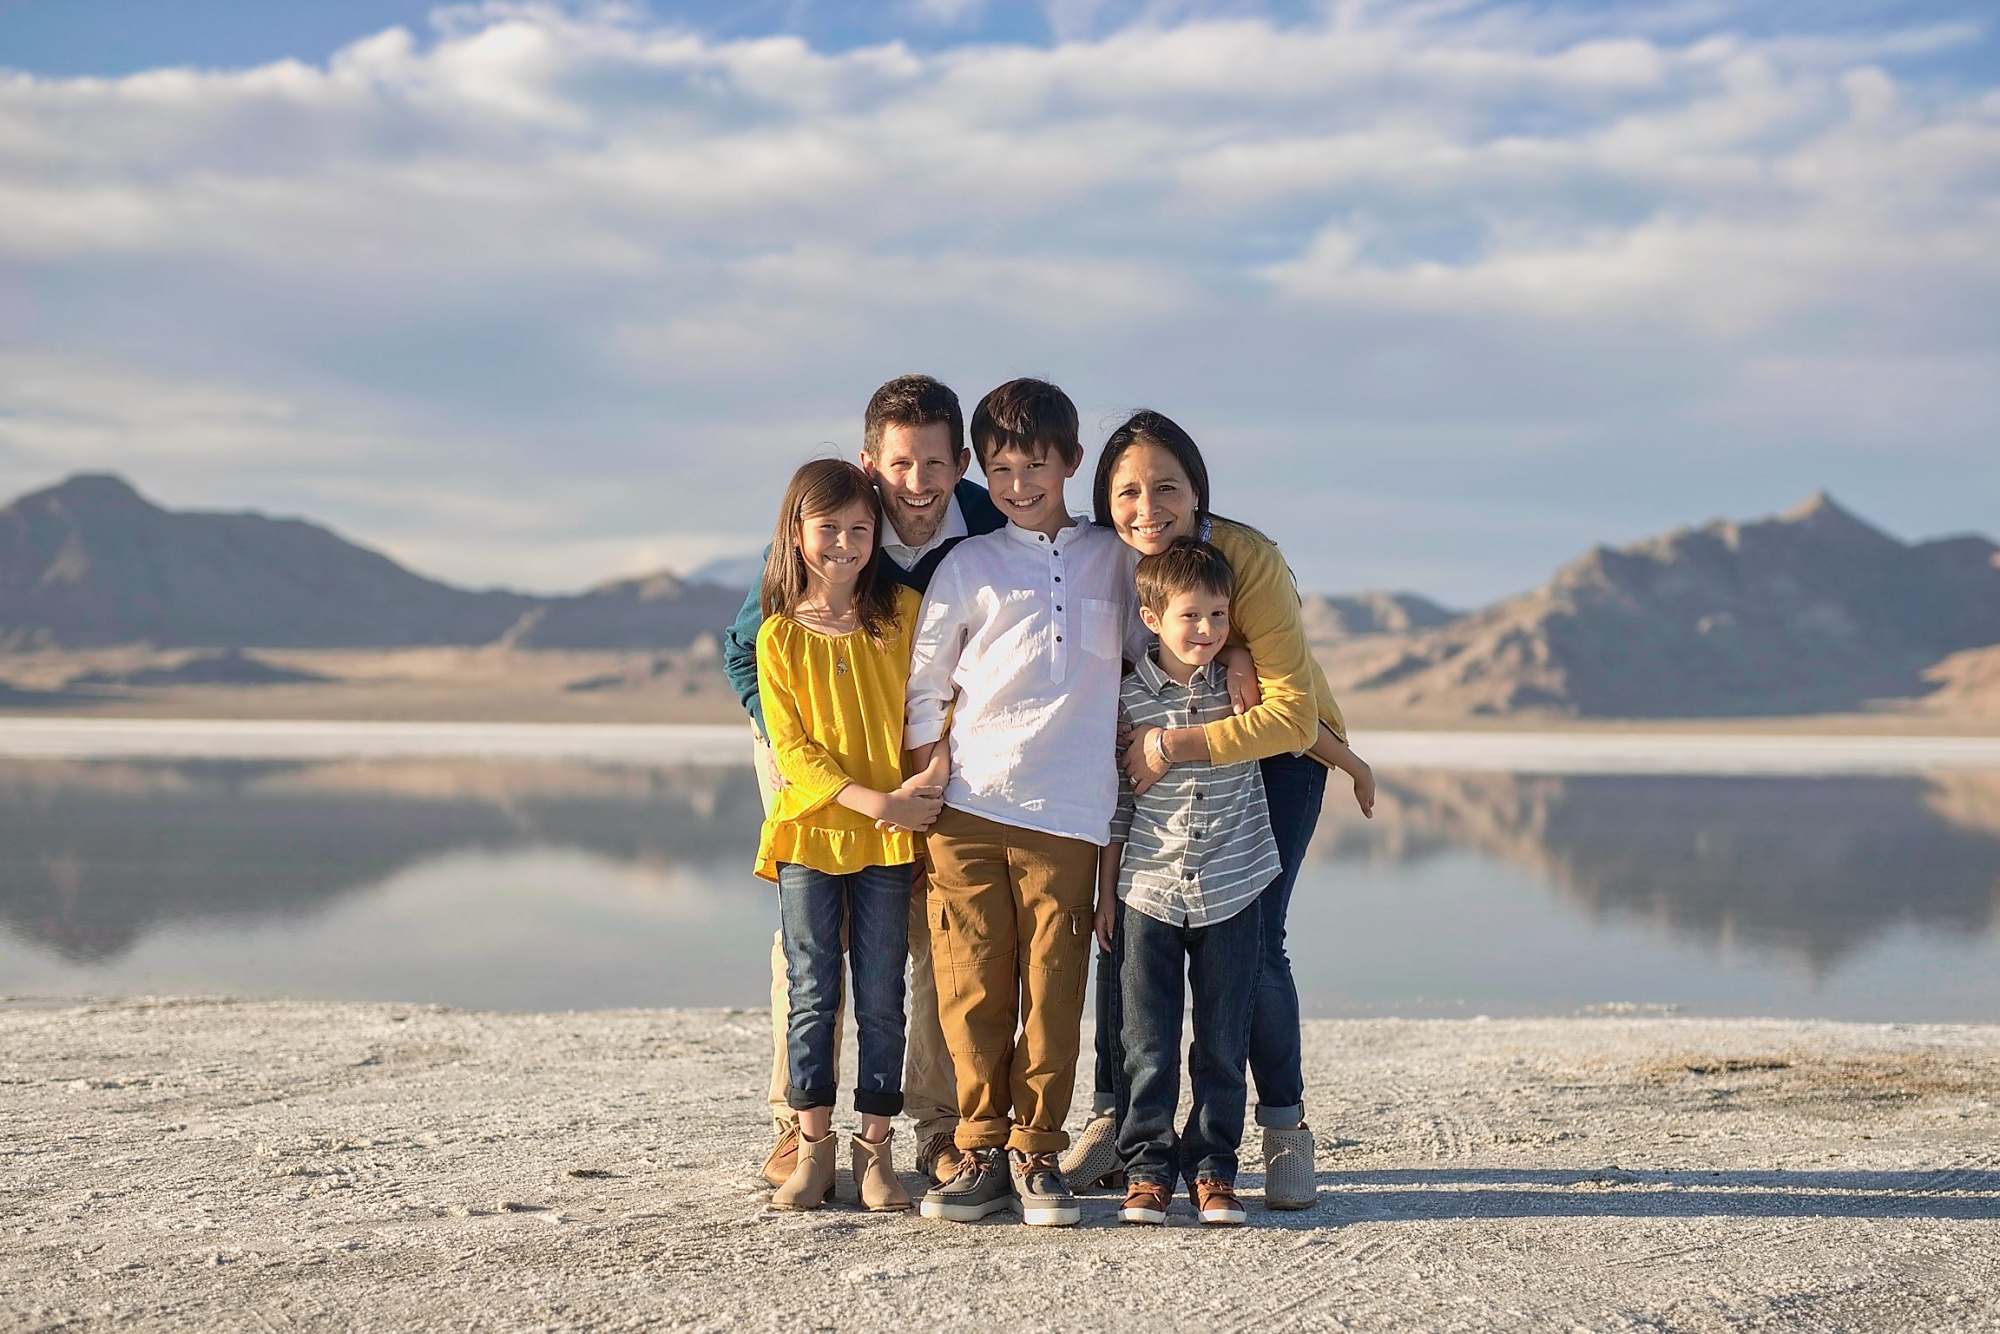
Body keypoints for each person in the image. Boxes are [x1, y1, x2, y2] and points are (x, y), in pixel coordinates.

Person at [1065, 408, 1375, 1211]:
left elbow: (1291, 718)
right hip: (1150, 765)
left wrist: (1176, 742)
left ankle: (1282, 1133)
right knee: (1128, 947)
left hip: (1273, 755)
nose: (1146, 506)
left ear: (1198, 491)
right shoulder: (1105, 556)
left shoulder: (1248, 558)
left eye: (1166, 486)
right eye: (1126, 490)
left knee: (1257, 950)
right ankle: (1120, 1126)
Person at [722, 375, 1004, 1191]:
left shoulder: (989, 525)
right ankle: (794, 1124)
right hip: (813, 761)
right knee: (807, 950)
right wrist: (792, 750)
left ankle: (935, 1128)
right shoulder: (835, 522)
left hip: (932, 764)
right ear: (870, 461)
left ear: (960, 464)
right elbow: (751, 648)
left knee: (933, 942)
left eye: (937, 464)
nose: (918, 485)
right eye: (901, 464)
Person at [904, 378, 1137, 1227]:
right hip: (968, 810)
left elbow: (1155, 657)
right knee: (972, 989)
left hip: (1071, 814)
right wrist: (930, 777)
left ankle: (1037, 1154)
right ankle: (977, 1152)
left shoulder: (1116, 556)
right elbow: (925, 683)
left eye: (1034, 466)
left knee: (1051, 990)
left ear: (1072, 462)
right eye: (1000, 470)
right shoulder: (969, 564)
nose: (1016, 486)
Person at [753, 458, 943, 1211]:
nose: (844, 544)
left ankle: (877, 1157)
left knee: (882, 1000)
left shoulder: (901, 614)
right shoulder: (778, 637)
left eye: (860, 530)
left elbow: (935, 702)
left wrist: (922, 788)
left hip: (886, 846)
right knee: (811, 994)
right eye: (827, 529)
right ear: (797, 534)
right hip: (811, 838)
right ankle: (810, 1154)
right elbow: (792, 750)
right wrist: (878, 803)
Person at [1096, 539, 1278, 1227]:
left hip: (1234, 886)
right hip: (1148, 889)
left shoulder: (1246, 692)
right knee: (1145, 1042)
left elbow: (1293, 724)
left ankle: (1214, 1171)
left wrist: (1244, 656)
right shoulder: (1125, 698)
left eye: (1219, 617)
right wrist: (1106, 890)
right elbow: (1117, 800)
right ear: (1151, 618)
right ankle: (1146, 1171)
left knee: (1222, 1039)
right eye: (1191, 617)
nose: (1207, 630)